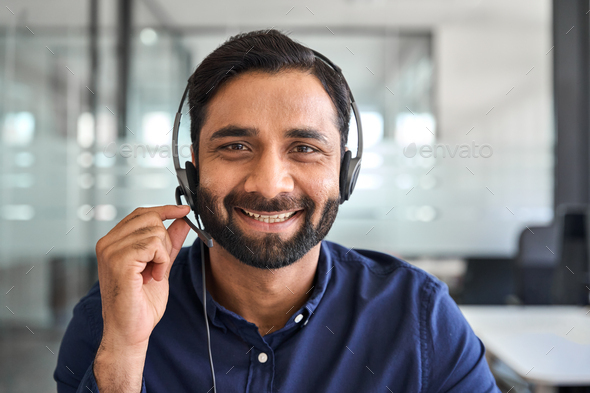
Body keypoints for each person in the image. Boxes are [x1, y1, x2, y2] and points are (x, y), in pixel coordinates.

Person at [54, 29, 500, 393]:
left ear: (346, 172)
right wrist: (124, 355)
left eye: (304, 148)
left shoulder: (420, 316)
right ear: (191, 170)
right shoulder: (111, 314)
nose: (269, 184)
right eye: (235, 146)